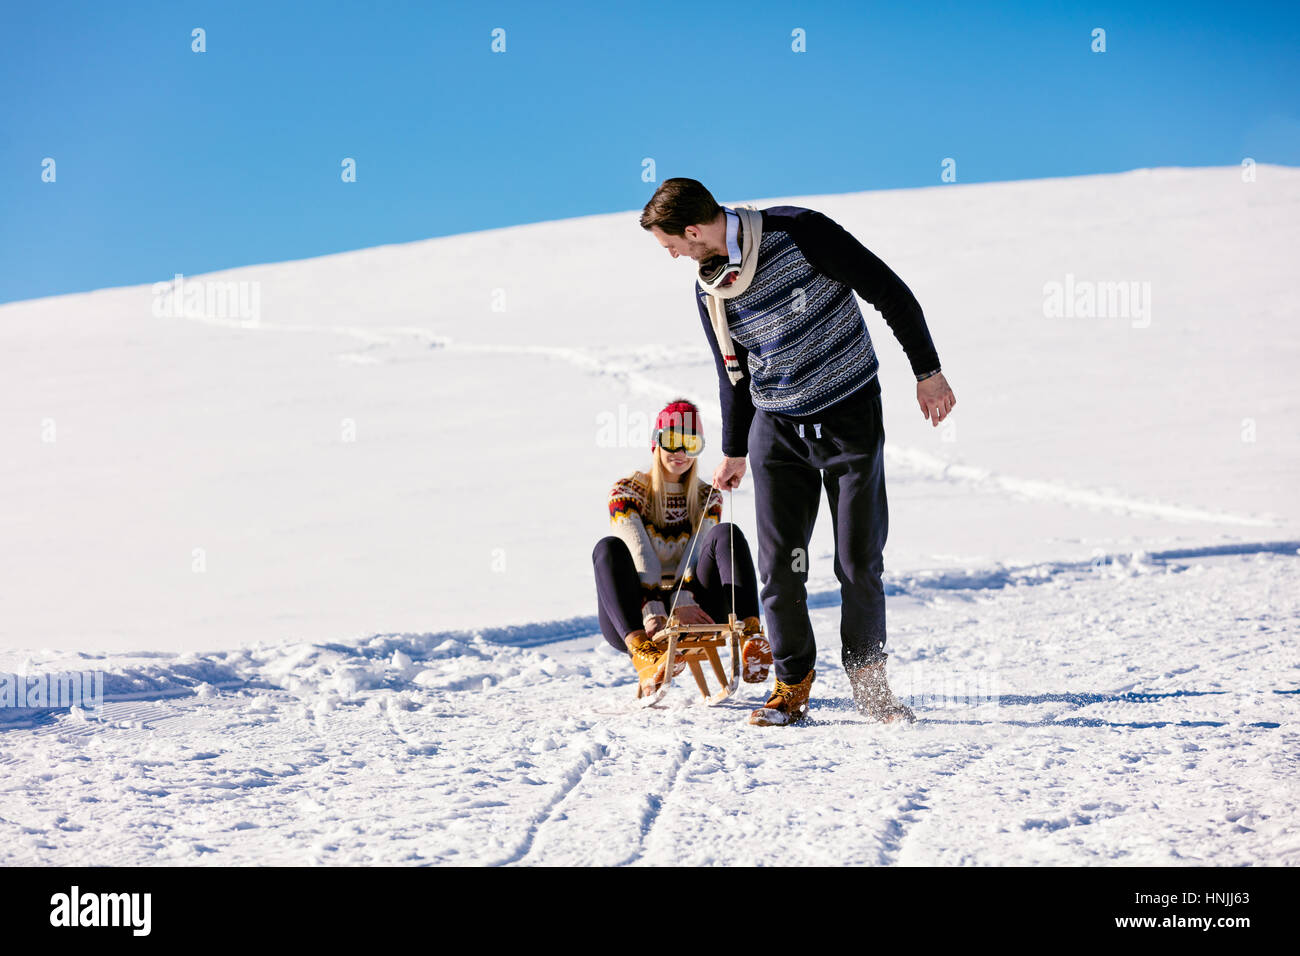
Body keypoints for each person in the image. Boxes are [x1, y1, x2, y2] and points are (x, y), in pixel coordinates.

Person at [640, 179, 957, 726]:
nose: (671, 254)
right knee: (780, 568)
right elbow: (731, 370)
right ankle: (792, 685)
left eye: (671, 243)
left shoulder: (799, 232)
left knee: (858, 562)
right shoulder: (709, 288)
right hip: (777, 429)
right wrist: (736, 448)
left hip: (849, 416)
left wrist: (927, 372)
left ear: (694, 230)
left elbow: (890, 291)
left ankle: (870, 686)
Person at [593, 398, 771, 697]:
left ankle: (751, 636)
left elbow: (698, 550)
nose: (680, 452)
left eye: (690, 443)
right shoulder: (626, 492)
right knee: (608, 548)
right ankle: (644, 655)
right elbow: (639, 552)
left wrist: (684, 602)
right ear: (656, 442)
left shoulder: (707, 497)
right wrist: (654, 613)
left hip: (696, 608)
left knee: (726, 534)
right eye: (672, 440)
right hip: (634, 615)